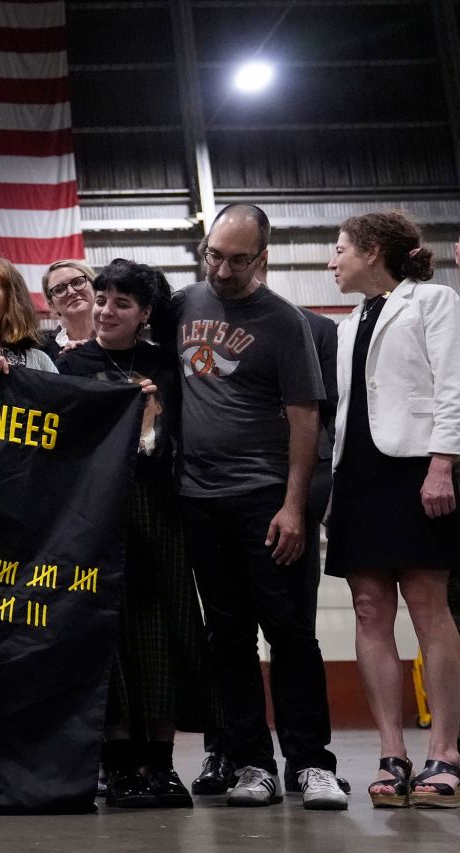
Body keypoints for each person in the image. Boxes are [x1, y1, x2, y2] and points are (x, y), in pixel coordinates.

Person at [173, 203, 345, 810]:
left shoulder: (283, 321)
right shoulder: (185, 305)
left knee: (290, 631)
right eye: (214, 255)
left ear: (262, 258)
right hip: (199, 499)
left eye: (237, 259)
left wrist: (295, 506)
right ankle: (252, 763)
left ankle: (311, 763)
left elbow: (306, 420)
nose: (221, 269)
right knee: (227, 636)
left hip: (266, 501)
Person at [57, 259, 210, 809]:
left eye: (122, 303)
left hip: (159, 511)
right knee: (109, 635)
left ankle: (163, 764)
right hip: (97, 516)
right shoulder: (68, 364)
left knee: (165, 629)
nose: (105, 311)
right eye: (102, 300)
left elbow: (170, 443)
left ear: (145, 314)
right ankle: (119, 764)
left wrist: (148, 418)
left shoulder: (165, 366)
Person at [324, 211, 460, 808]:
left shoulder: (433, 301)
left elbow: (453, 383)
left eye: (339, 249)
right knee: (368, 606)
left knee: (428, 605)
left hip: (415, 470)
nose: (332, 261)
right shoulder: (350, 322)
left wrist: (442, 463)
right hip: (357, 476)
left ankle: (444, 752)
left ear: (372, 250)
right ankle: (392, 753)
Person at [40, 260, 97, 359]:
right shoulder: (41, 349)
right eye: (59, 289)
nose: (71, 292)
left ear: (95, 289)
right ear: (52, 305)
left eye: (78, 282)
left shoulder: (122, 337)